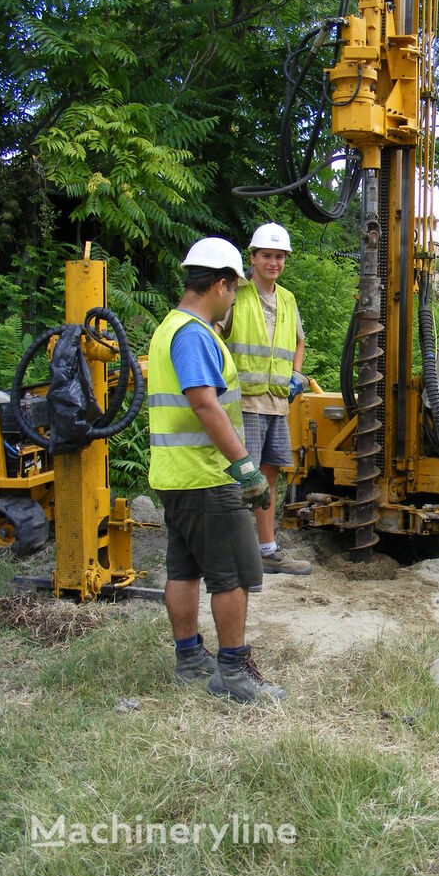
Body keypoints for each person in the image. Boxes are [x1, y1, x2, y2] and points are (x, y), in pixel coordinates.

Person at [148, 236, 285, 703]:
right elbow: (205, 405)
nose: (233, 299)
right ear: (222, 285)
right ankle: (232, 671)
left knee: (183, 569)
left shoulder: (170, 327)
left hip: (176, 475)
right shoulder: (194, 335)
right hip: (207, 478)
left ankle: (188, 658)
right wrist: (245, 467)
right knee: (235, 574)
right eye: (233, 289)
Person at [218, 222, 312, 577]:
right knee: (243, 477)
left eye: (279, 257)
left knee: (269, 476)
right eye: (266, 256)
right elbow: (215, 331)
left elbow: (299, 340)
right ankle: (232, 550)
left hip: (277, 402)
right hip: (245, 403)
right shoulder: (237, 294)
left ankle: (266, 549)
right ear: (252, 257)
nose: (273, 262)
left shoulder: (286, 298)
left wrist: (297, 375)